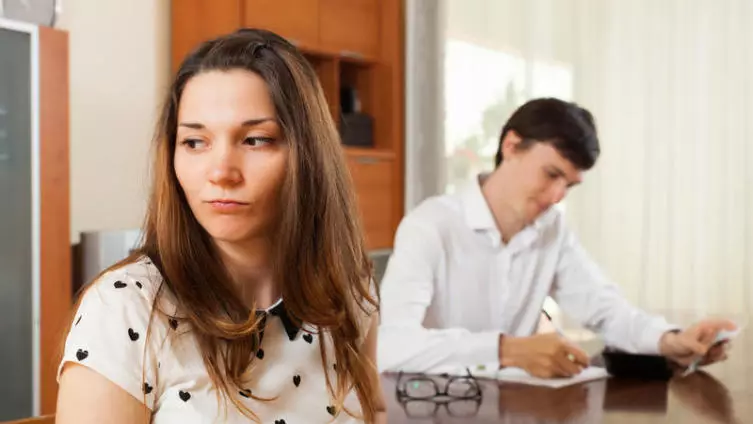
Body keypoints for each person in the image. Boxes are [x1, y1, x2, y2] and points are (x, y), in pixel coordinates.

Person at [56, 28, 385, 423]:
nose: (221, 172)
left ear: (308, 156)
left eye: (255, 140)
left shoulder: (348, 288)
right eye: (195, 142)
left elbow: (374, 412)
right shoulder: (125, 308)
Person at [378, 97, 735, 378]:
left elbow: (608, 311)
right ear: (511, 146)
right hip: (432, 408)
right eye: (551, 174)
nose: (557, 196)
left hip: (513, 408)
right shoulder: (431, 225)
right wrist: (508, 350)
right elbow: (392, 345)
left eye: (569, 185)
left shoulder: (552, 230)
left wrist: (672, 341)